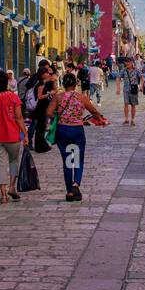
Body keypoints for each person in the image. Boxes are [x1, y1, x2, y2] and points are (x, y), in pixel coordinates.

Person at [46, 72, 107, 201]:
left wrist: (58, 117)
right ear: (75, 83)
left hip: (62, 130)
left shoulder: (58, 97)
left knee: (67, 160)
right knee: (78, 158)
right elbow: (93, 111)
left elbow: (49, 112)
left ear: (64, 84)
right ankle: (76, 183)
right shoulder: (81, 97)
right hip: (77, 131)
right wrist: (100, 118)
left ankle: (69, 192)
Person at [0, 71, 27, 204]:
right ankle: (12, 187)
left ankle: (3, 195)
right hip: (12, 135)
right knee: (14, 161)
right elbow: (19, 118)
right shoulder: (13, 97)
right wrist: (25, 134)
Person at [121, 59, 141, 126]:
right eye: (127, 62)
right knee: (126, 104)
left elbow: (142, 77)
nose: (127, 64)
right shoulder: (124, 70)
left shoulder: (136, 70)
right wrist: (118, 88)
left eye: (129, 62)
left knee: (133, 105)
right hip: (126, 89)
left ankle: (132, 120)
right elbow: (118, 77)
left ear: (132, 63)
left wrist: (141, 86)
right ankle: (126, 119)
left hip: (134, 89)